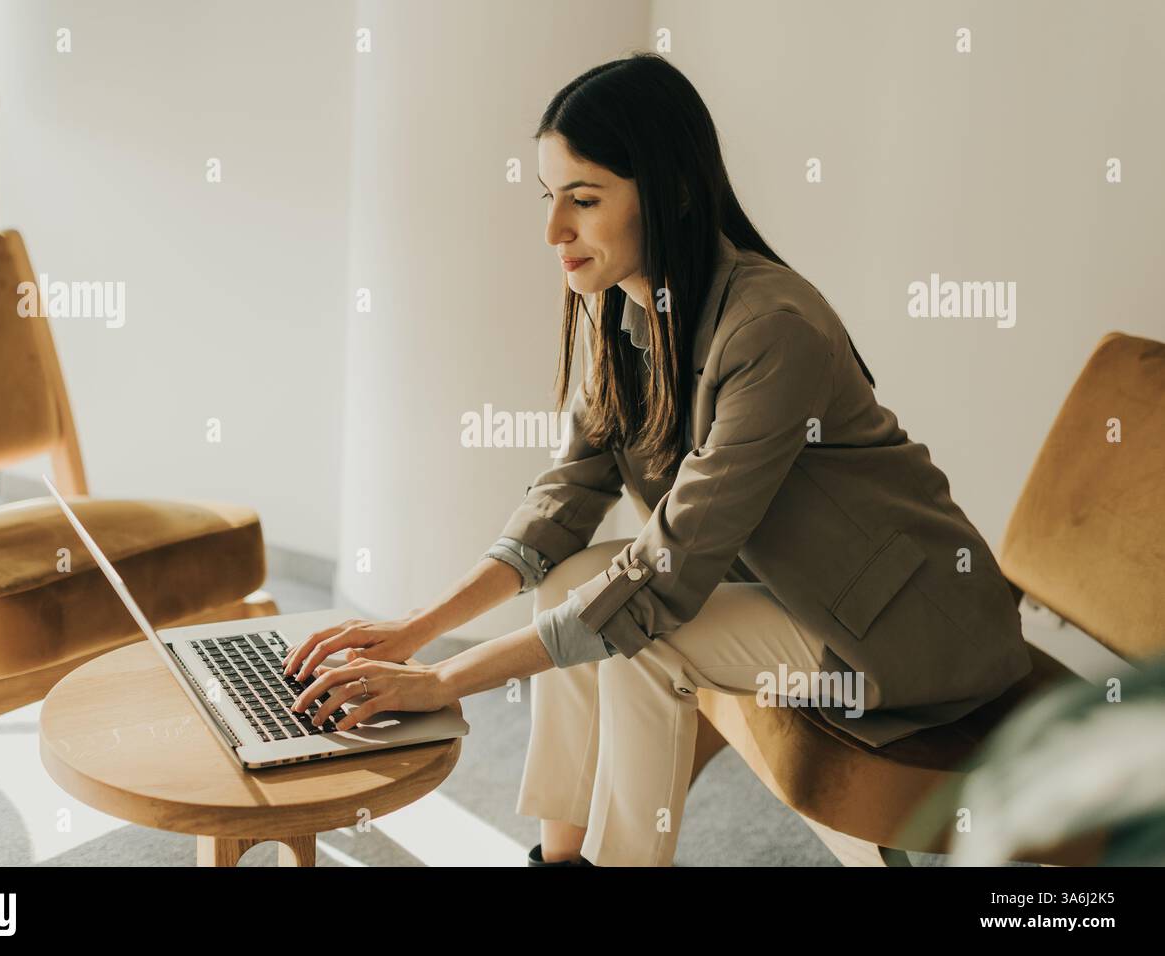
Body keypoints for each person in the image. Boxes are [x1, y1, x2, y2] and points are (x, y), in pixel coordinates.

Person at [283, 53, 1031, 867]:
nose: (553, 230)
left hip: (904, 626)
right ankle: (560, 859)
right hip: (784, 591)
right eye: (549, 197)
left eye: (585, 198)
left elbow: (664, 576)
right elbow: (565, 499)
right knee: (572, 587)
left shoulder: (771, 328)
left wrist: (443, 683)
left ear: (671, 191)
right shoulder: (625, 311)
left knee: (642, 638)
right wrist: (415, 632)